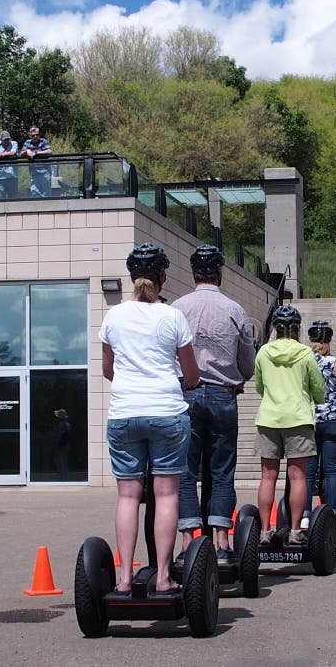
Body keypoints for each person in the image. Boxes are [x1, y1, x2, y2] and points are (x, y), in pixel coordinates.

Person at [98, 243, 200, 595]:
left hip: (124, 413)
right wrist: (182, 382)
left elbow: (108, 369)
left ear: (131, 277)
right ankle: (162, 577)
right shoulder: (172, 316)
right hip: (166, 412)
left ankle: (124, 578)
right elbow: (191, 373)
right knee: (167, 493)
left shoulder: (113, 316)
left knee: (127, 496)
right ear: (162, 276)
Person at [174, 245, 256, 565]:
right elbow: (247, 363)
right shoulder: (235, 310)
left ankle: (187, 542)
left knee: (185, 470)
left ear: (194, 273)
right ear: (220, 273)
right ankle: (221, 543)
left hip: (188, 393)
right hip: (223, 394)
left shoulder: (178, 308)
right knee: (221, 470)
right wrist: (236, 375)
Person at [255, 305, 325, 545]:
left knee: (267, 477)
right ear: (297, 328)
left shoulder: (264, 352)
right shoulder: (305, 353)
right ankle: (295, 530)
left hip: (269, 418)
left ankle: (265, 530)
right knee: (298, 477)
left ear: (275, 328)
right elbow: (319, 389)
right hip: (298, 418)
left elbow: (259, 387)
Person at [302, 319, 336, 528]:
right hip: (332, 420)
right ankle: (333, 513)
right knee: (332, 469)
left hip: (309, 420)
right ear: (329, 340)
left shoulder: (303, 360)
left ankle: (304, 515)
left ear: (311, 339)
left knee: (308, 471)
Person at [20, 126, 52, 198]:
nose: (35, 136)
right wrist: (27, 151)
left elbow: (49, 151)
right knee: (34, 192)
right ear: (30, 135)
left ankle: (47, 208)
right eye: (33, 135)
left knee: (46, 193)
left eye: (37, 135)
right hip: (33, 171)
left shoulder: (43, 141)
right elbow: (21, 153)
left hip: (45, 171)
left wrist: (36, 153)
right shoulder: (27, 142)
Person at [53, 408, 72, 481]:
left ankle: (63, 478)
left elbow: (59, 436)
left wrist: (56, 444)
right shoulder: (67, 424)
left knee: (61, 462)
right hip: (66, 445)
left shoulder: (61, 425)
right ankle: (64, 477)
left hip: (61, 446)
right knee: (64, 461)